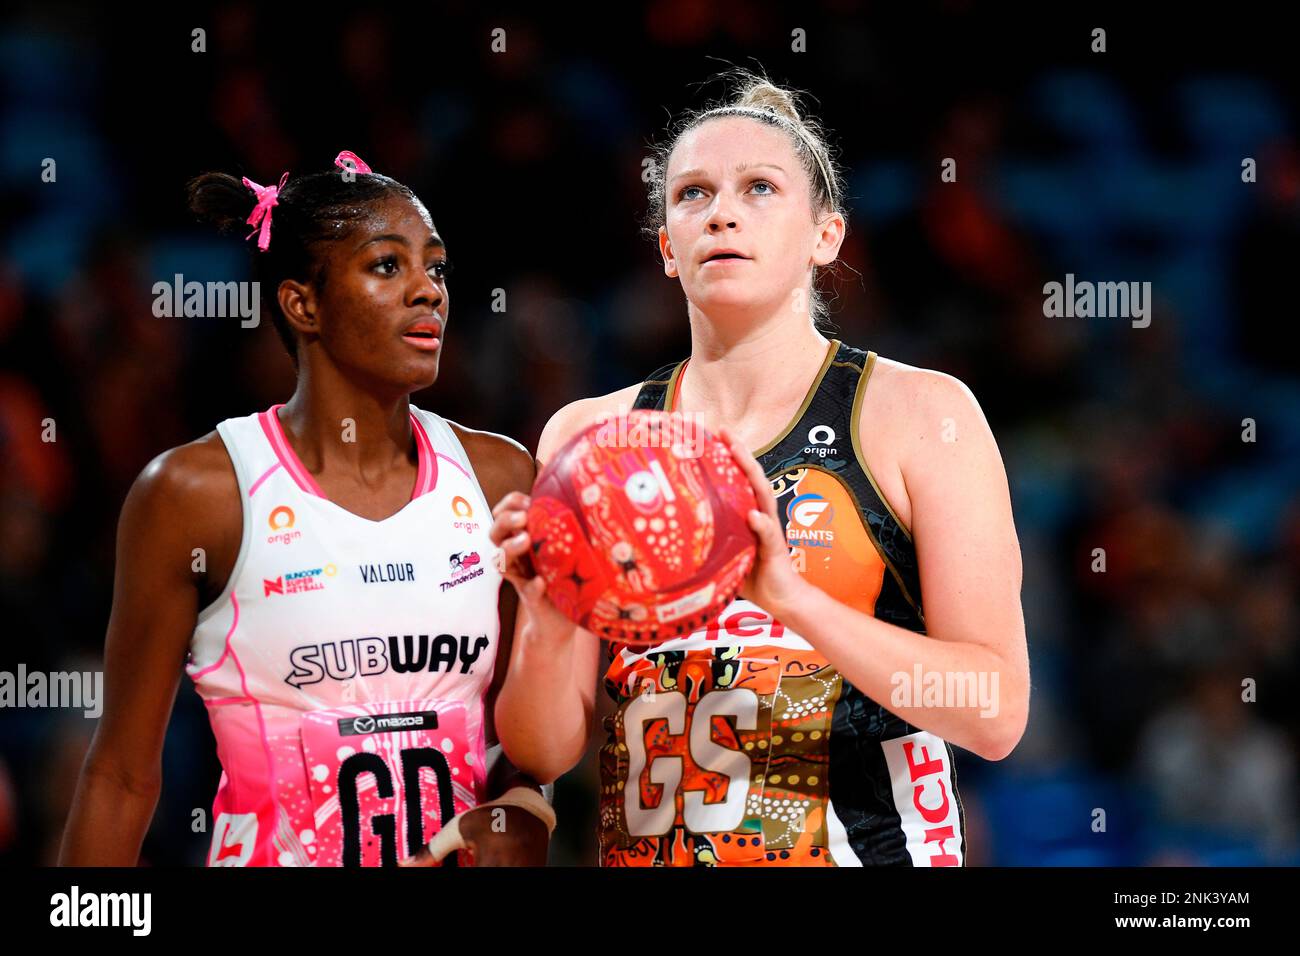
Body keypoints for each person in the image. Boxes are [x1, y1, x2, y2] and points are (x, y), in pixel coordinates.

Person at [491, 74, 1029, 866]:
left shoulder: (921, 414)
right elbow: (543, 753)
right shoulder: (590, 438)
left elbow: (993, 712)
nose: (722, 212)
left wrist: (787, 597)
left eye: (760, 188)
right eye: (694, 194)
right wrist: (542, 618)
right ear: (669, 247)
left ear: (827, 236)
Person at [59, 151, 551, 867]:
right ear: (302, 304)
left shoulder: (500, 473)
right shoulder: (196, 494)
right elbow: (122, 776)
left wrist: (520, 810)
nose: (429, 292)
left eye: (437, 268)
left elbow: (526, 732)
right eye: (388, 266)